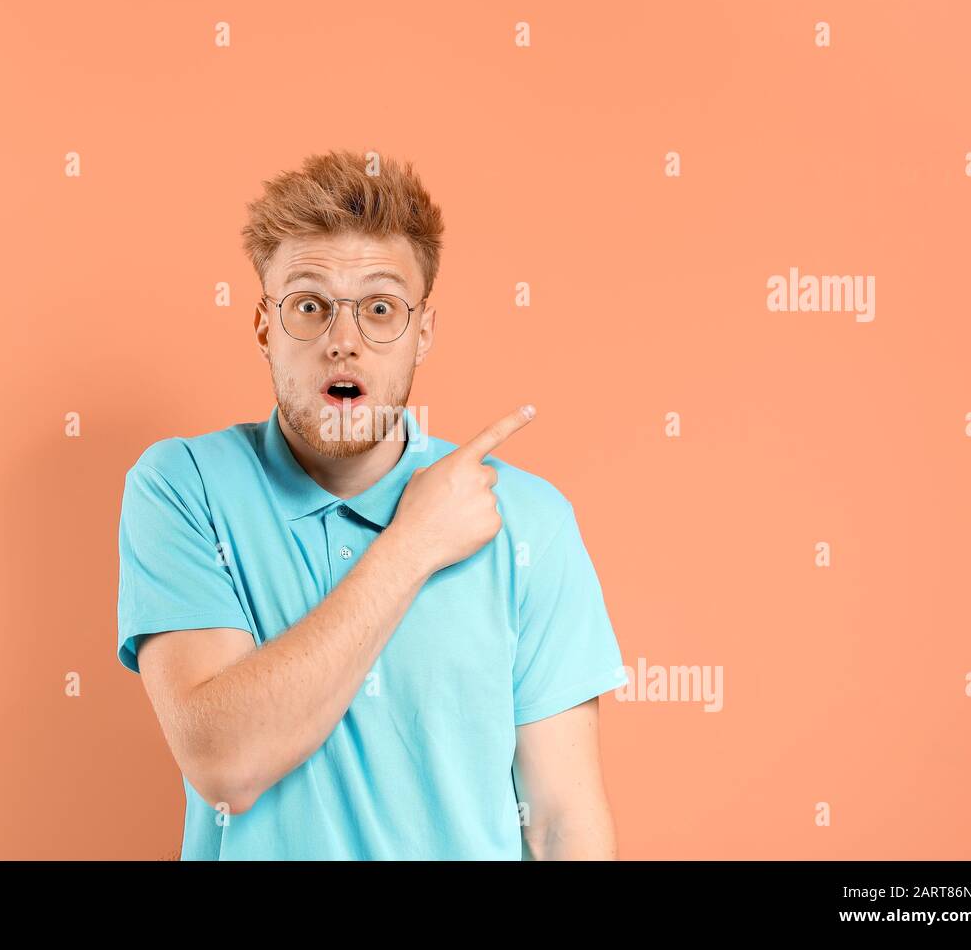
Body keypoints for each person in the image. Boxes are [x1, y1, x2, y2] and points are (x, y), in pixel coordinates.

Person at [116, 149, 627, 859]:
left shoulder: (529, 522)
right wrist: (414, 544)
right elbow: (224, 763)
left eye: (381, 308)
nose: (343, 341)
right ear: (265, 327)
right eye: (308, 306)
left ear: (423, 332)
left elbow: (561, 822)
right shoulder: (184, 486)